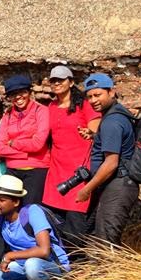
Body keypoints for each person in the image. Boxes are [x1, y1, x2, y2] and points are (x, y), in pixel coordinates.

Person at [0, 175, 71, 280]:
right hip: (23, 266)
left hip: (51, 265)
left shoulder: (32, 212)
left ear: (16, 202)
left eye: (1, 200)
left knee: (32, 265)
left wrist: (10, 255)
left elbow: (44, 250)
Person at [75, 73, 139, 245]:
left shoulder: (112, 121)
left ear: (111, 92)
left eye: (98, 95)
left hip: (117, 185)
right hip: (114, 185)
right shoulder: (116, 116)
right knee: (94, 235)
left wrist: (87, 189)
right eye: (89, 97)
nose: (93, 100)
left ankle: (113, 272)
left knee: (106, 241)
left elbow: (111, 163)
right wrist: (96, 136)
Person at [41, 66, 101, 243]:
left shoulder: (84, 104)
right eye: (53, 80)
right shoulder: (51, 107)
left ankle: (79, 268)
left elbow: (96, 128)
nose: (57, 83)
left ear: (71, 82)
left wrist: (89, 133)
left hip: (79, 171)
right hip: (56, 171)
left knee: (76, 226)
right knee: (55, 223)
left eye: (61, 79)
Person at [0, 75, 50, 206]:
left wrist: (13, 143)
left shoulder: (41, 111)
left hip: (35, 169)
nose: (18, 97)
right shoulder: (8, 115)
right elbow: (0, 147)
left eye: (22, 92)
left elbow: (38, 144)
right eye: (13, 94)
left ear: (30, 92)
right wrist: (25, 154)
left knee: (30, 210)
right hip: (13, 169)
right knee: (10, 210)